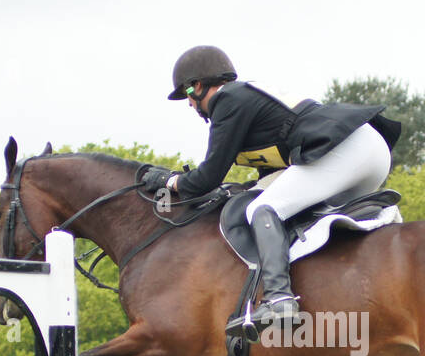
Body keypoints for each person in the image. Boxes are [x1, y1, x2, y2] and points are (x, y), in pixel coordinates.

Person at [140, 46, 401, 331]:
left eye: (187, 97)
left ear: (197, 87)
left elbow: (206, 178)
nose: (190, 105)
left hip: (350, 150)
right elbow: (273, 177)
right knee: (289, 211)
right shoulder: (246, 100)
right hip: (366, 151)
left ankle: (279, 299)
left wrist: (169, 181)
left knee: (262, 209)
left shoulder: (227, 100)